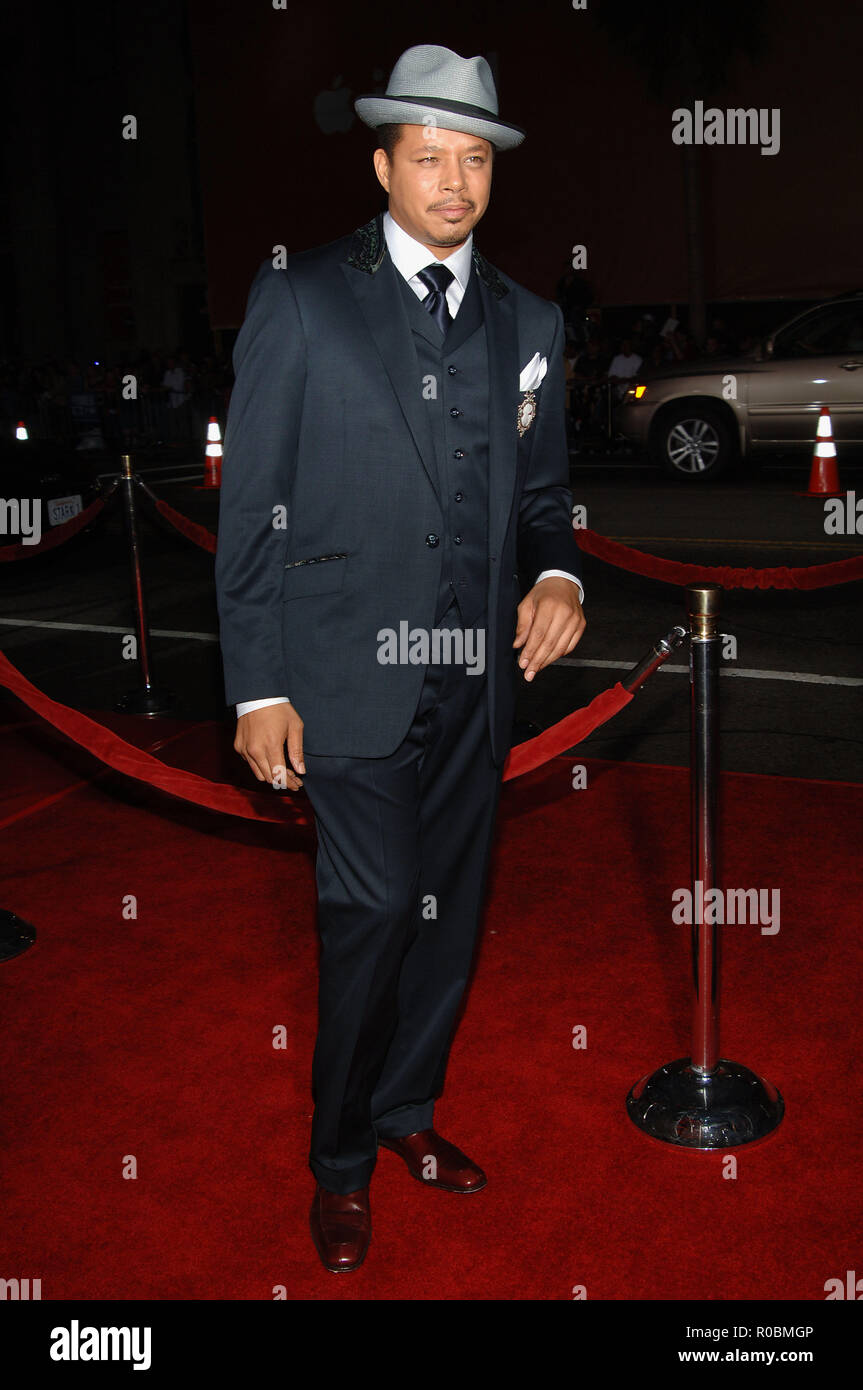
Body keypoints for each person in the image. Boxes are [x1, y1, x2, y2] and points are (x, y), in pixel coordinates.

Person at [215, 43, 586, 1274]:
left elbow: (542, 499)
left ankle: (406, 1114)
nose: (453, 178)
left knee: (448, 917)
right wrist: (257, 682)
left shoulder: (529, 322)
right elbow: (252, 502)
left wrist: (555, 569)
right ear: (382, 165)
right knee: (372, 908)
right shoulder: (303, 297)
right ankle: (337, 1163)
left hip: (478, 683)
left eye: (472, 156)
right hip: (340, 674)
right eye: (427, 156)